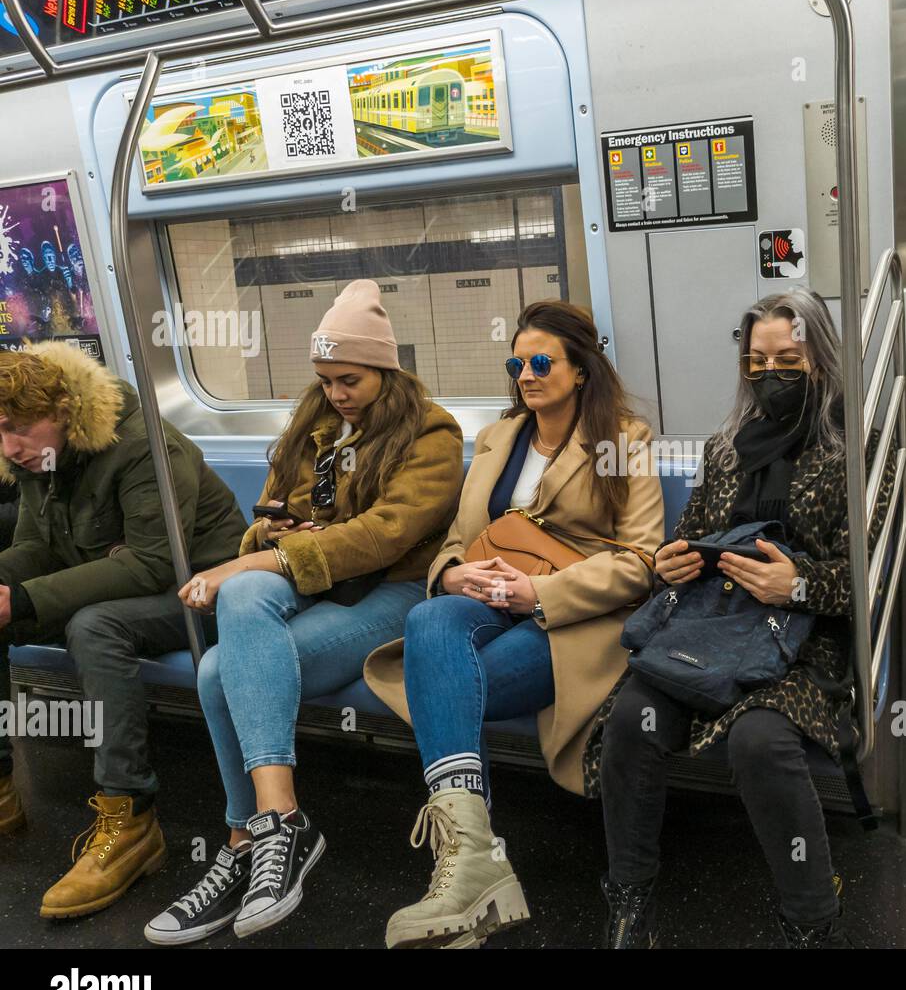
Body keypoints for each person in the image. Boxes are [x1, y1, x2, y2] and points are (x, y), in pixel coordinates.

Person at [144, 280, 463, 944]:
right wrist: (273, 535)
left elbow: (387, 533)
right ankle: (275, 824)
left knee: (214, 672)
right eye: (324, 379)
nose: (336, 393)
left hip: (393, 592)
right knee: (241, 593)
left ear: (384, 368)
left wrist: (257, 560)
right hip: (320, 580)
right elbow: (269, 513)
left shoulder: (432, 432)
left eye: (349, 379)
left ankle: (247, 837)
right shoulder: (311, 427)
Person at [592, 288, 896, 949]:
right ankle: (631, 892)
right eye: (757, 361)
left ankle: (810, 914)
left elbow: (865, 577)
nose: (770, 375)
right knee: (629, 721)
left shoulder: (859, 451)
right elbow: (691, 537)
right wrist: (669, 563)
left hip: (804, 643)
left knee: (760, 741)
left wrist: (801, 582)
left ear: (822, 358)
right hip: (711, 631)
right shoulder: (725, 447)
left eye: (789, 359)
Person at [364, 299, 663, 949]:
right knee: (430, 619)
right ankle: (475, 857)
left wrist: (541, 590)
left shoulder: (623, 440)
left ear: (579, 369)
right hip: (487, 595)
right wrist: (449, 574)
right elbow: (456, 537)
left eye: (541, 361)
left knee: (447, 682)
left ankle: (471, 865)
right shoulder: (500, 438)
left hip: (572, 617)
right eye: (517, 362)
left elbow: (643, 561)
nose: (526, 374)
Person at [0, 340, 246, 917]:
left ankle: (129, 816)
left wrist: (26, 599)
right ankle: (3, 789)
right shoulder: (42, 457)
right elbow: (36, 545)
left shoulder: (142, 446)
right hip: (122, 587)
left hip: (205, 592)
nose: (10, 448)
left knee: (93, 626)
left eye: (18, 428)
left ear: (61, 410)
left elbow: (153, 562)